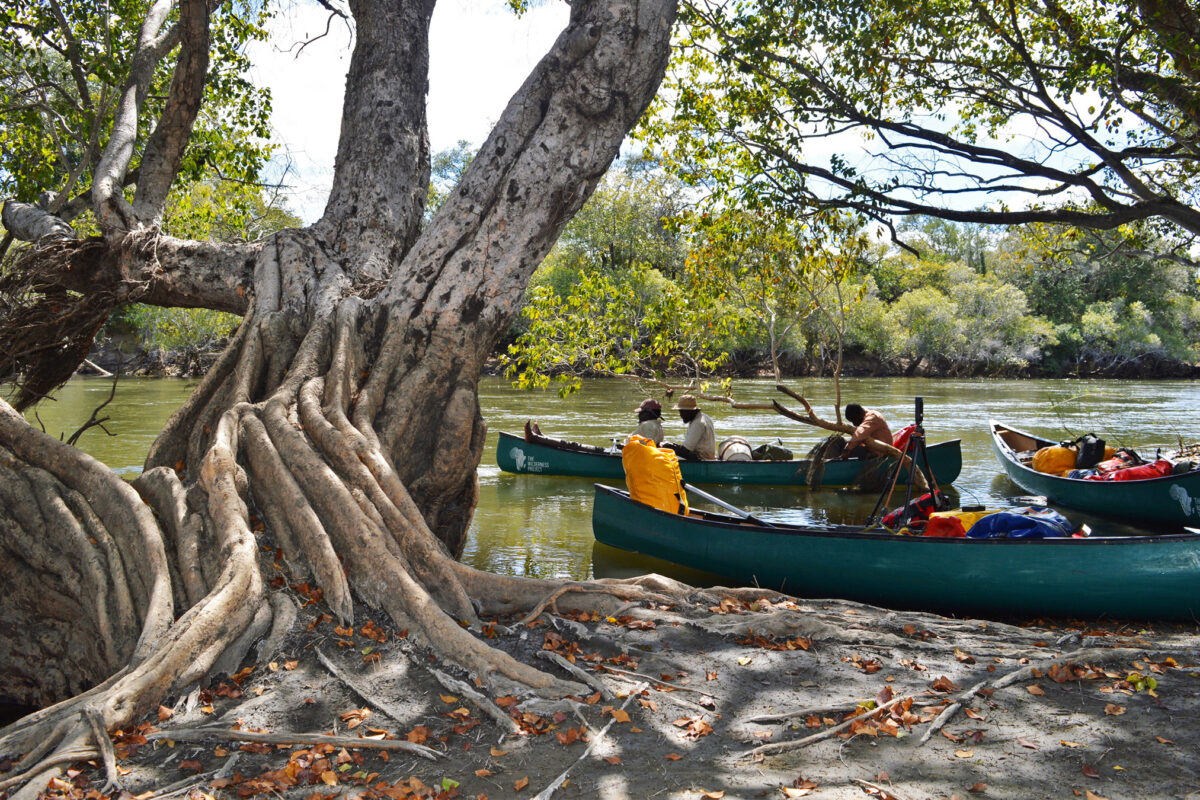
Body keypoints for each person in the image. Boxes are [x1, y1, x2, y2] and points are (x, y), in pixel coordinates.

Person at [668, 394, 716, 460]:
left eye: (682, 412)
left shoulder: (698, 423)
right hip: (707, 457)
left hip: (701, 459)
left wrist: (669, 446)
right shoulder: (704, 417)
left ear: (690, 411)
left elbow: (686, 450)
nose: (681, 415)